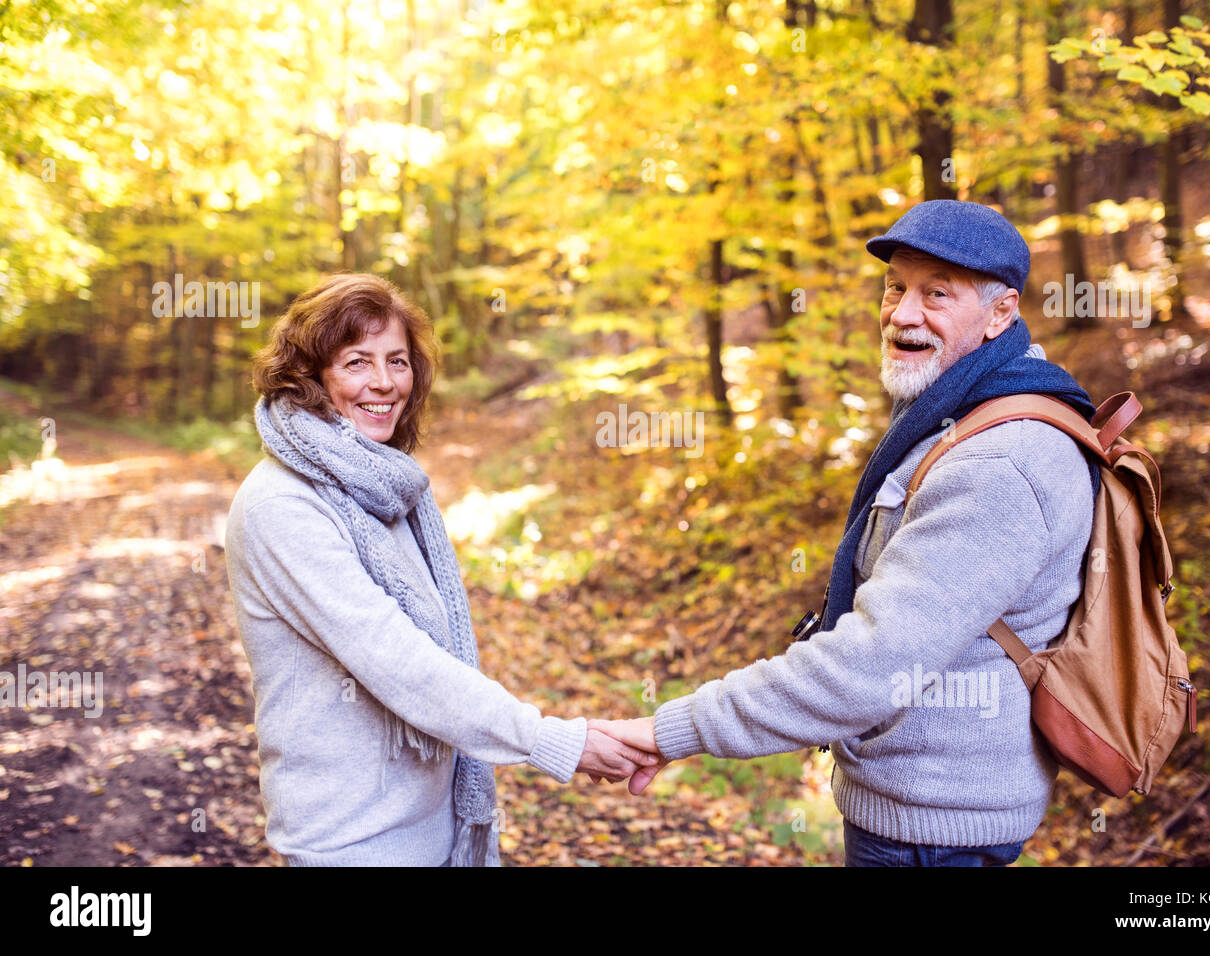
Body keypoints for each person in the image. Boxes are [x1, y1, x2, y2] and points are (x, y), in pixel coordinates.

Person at [604, 200, 1102, 866]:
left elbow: (868, 665)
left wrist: (673, 730)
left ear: (1001, 314)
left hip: (933, 833)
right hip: (915, 813)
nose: (902, 313)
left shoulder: (1001, 462)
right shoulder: (957, 416)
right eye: (895, 287)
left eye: (936, 295)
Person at [224, 273, 657, 866]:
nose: (384, 383)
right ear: (310, 378)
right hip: (351, 842)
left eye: (397, 361)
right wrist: (553, 740)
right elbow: (397, 661)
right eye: (356, 362)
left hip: (436, 827)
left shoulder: (386, 488)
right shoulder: (283, 505)